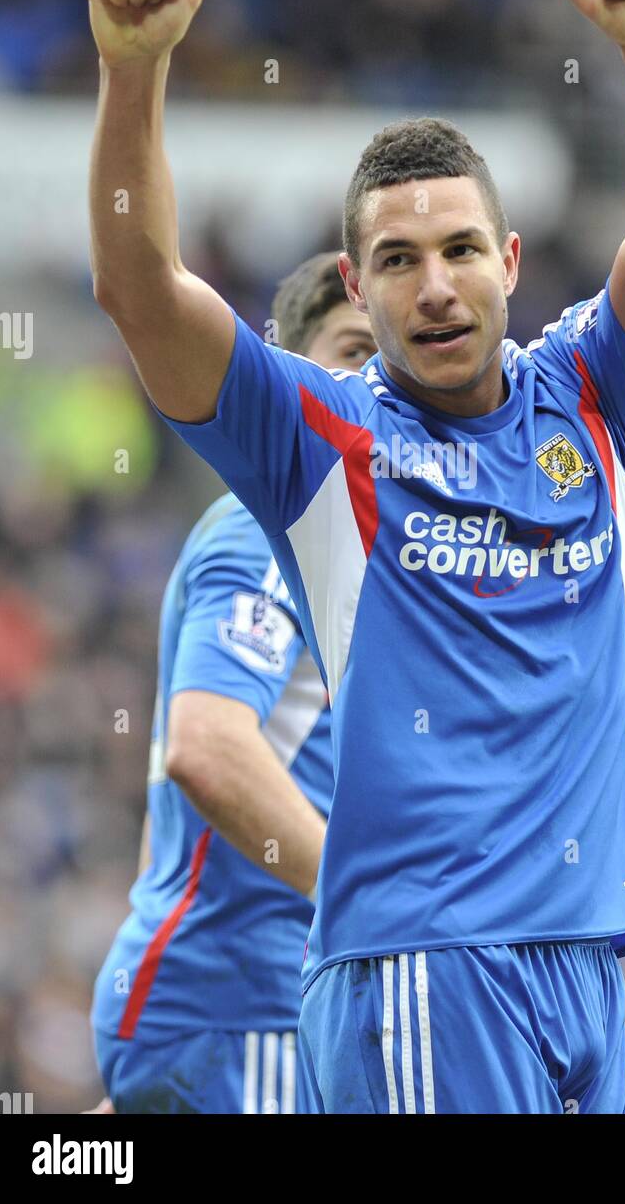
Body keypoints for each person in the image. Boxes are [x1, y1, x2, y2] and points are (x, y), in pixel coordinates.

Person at [86, 0, 625, 1113]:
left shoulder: (591, 397)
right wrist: (134, 74)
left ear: (510, 261)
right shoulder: (321, 442)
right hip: (422, 973)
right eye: (396, 261)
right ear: (356, 281)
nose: (433, 285)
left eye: (458, 250)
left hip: (585, 966)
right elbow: (139, 291)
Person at [88, 254, 376, 1113]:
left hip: (229, 1009)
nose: (373, 387)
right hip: (243, 1010)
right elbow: (206, 751)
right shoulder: (274, 531)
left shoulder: (362, 548)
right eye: (353, 351)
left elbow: (170, 832)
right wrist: (380, 914)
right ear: (281, 364)